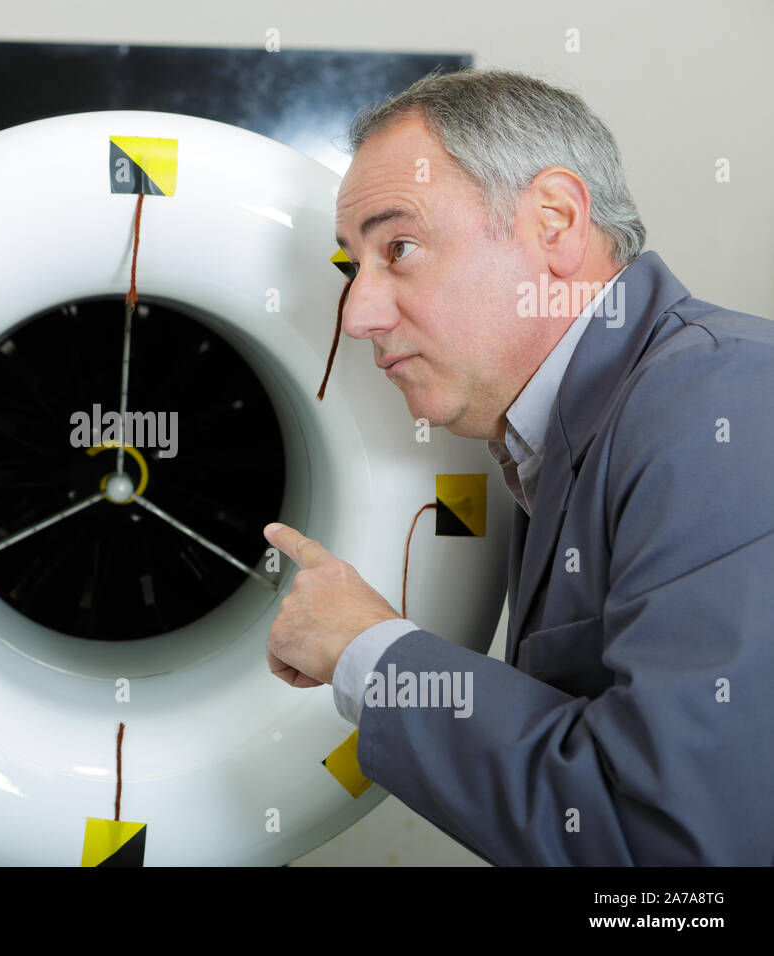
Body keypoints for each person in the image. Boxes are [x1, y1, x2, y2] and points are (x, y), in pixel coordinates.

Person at [263, 68, 774, 865]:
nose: (359, 315)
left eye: (398, 248)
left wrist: (372, 650)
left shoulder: (725, 406)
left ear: (556, 223)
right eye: (352, 267)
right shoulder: (561, 434)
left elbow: (672, 856)